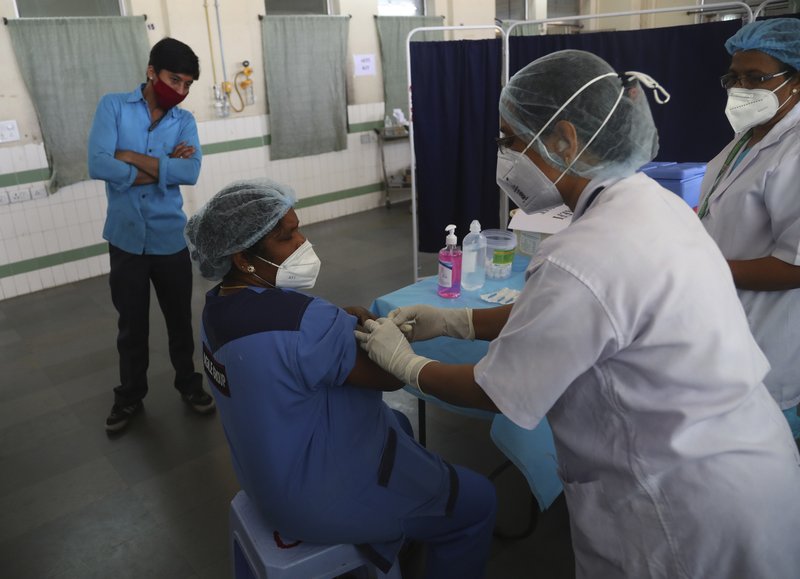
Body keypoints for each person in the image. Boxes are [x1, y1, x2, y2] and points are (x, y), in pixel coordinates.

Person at [356, 50, 800, 578]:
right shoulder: (649, 202)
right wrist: (458, 321)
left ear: (564, 139)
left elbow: (497, 389)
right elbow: (580, 316)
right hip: (747, 463)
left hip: (680, 507)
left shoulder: (585, 253)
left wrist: (407, 366)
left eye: (510, 141)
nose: (503, 157)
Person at [184, 179, 497, 579]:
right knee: (477, 502)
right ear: (244, 258)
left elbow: (290, 354)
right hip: (321, 501)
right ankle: (409, 523)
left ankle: (403, 527)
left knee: (398, 424)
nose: (303, 241)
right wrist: (381, 331)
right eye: (287, 237)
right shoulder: (305, 322)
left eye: (298, 227)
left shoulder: (216, 310)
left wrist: (343, 320)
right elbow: (387, 377)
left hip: (264, 479)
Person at [88, 37, 215, 433]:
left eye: (187, 85)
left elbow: (190, 172)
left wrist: (128, 158)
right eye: (173, 80)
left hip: (168, 239)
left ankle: (188, 384)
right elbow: (97, 162)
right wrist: (163, 166)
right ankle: (129, 396)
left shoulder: (185, 121)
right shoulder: (113, 106)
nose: (179, 91)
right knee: (132, 324)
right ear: (150, 72)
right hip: (125, 239)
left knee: (179, 319)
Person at [698, 18, 800, 439]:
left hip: (767, 344)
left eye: (756, 78)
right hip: (722, 329)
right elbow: (718, 207)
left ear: (795, 82)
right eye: (734, 77)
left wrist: (704, 268)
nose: (741, 88)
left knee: (760, 476)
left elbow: (795, 266)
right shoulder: (746, 138)